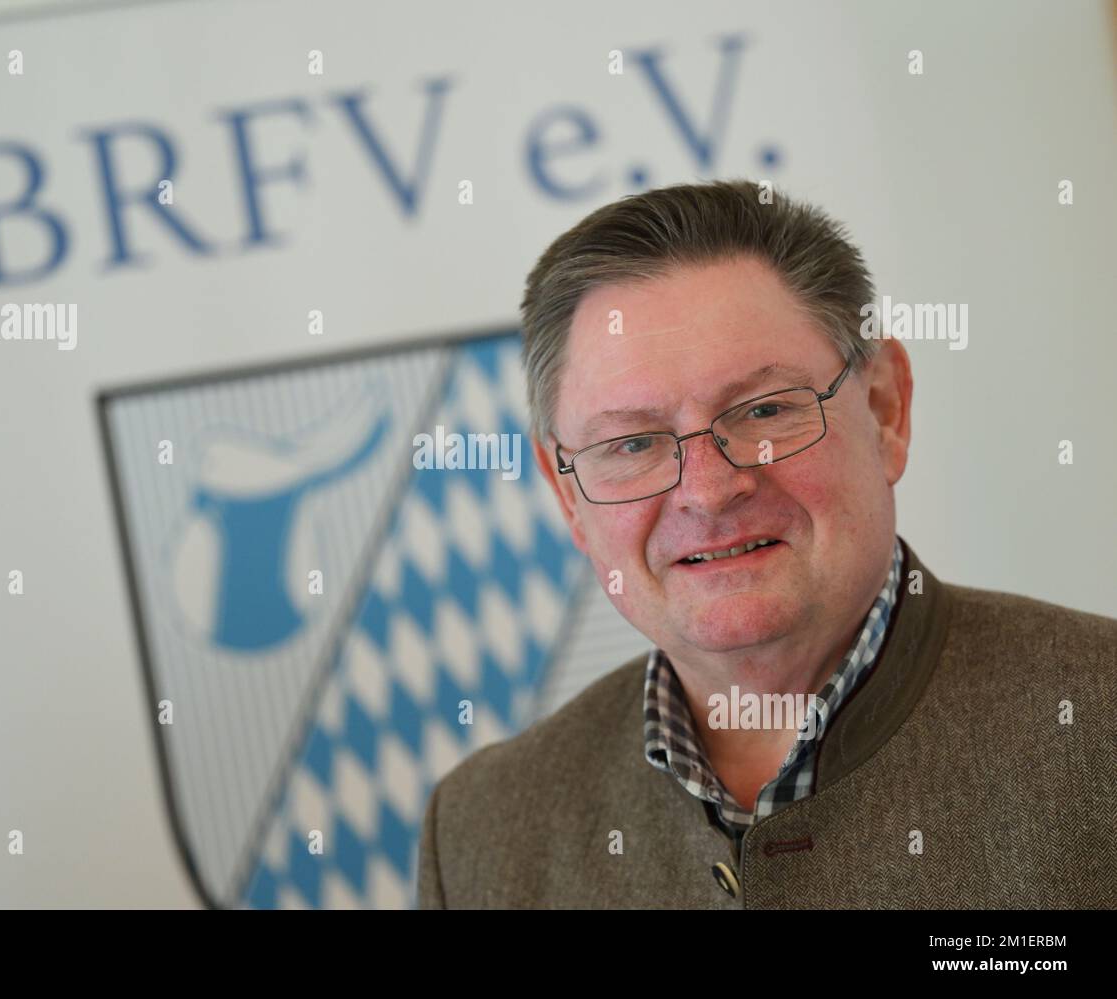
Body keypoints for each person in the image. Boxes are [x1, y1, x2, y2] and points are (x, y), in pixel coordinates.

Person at [416, 180, 1116, 908]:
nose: (710, 489)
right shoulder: (480, 834)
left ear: (885, 411)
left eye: (766, 409)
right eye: (632, 442)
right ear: (568, 495)